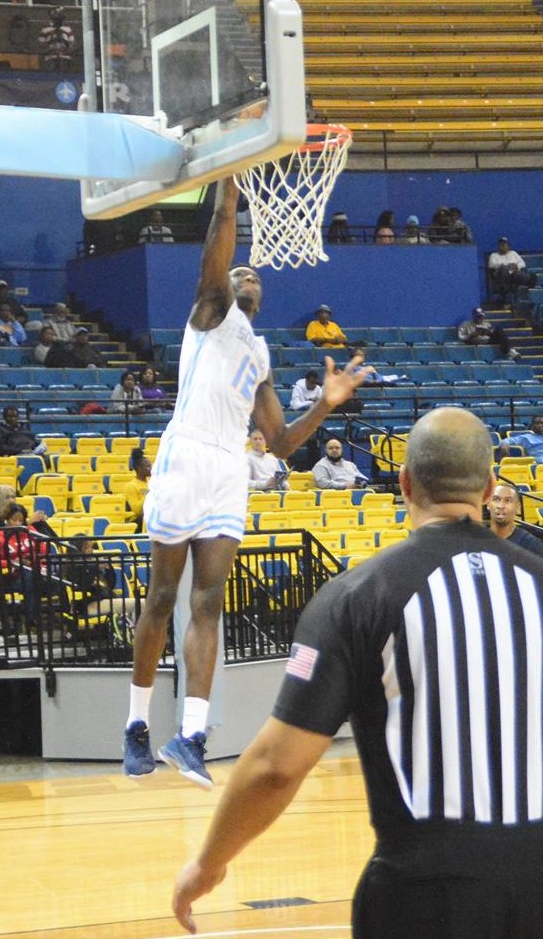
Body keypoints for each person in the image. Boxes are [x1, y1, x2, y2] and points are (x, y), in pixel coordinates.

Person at [172, 406, 543, 939]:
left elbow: (276, 766)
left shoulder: (356, 598)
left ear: (405, 482)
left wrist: (210, 861)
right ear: (489, 487)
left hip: (418, 894)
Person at [122, 177, 367, 788]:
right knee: (161, 599)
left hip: (230, 464)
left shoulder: (259, 354)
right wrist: (230, 188)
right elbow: (220, 242)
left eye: (255, 272)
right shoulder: (209, 313)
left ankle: (192, 736)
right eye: (239, 270)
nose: (247, 272)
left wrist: (327, 404)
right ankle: (136, 727)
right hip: (186, 454)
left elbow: (281, 444)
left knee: (209, 603)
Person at [487, 481, 543, 556]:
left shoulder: (531, 544)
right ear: (488, 504)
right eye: (496, 499)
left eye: (508, 501)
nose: (501, 506)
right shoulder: (477, 541)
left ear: (518, 507)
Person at [486, 237, 535, 303]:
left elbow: (522, 263)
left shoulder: (513, 253)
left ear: (508, 246)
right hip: (501, 277)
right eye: (500, 245)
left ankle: (530, 297)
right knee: (504, 269)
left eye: (504, 245)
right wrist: (507, 265)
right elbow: (492, 265)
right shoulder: (494, 255)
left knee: (531, 276)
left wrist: (517, 266)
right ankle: (506, 299)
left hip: (514, 275)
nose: (502, 247)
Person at [247, 427, 290, 491]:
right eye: (255, 439)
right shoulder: (246, 459)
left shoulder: (273, 459)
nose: (258, 441)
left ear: (265, 441)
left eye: (260, 439)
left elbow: (280, 477)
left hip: (276, 491)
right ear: (250, 441)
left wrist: (284, 484)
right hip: (259, 494)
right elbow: (245, 482)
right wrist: (265, 484)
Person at [121, 449, 152, 531]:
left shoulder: (151, 484)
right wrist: (151, 495)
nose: (151, 469)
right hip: (138, 521)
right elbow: (137, 510)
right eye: (148, 466)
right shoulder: (131, 486)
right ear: (139, 468)